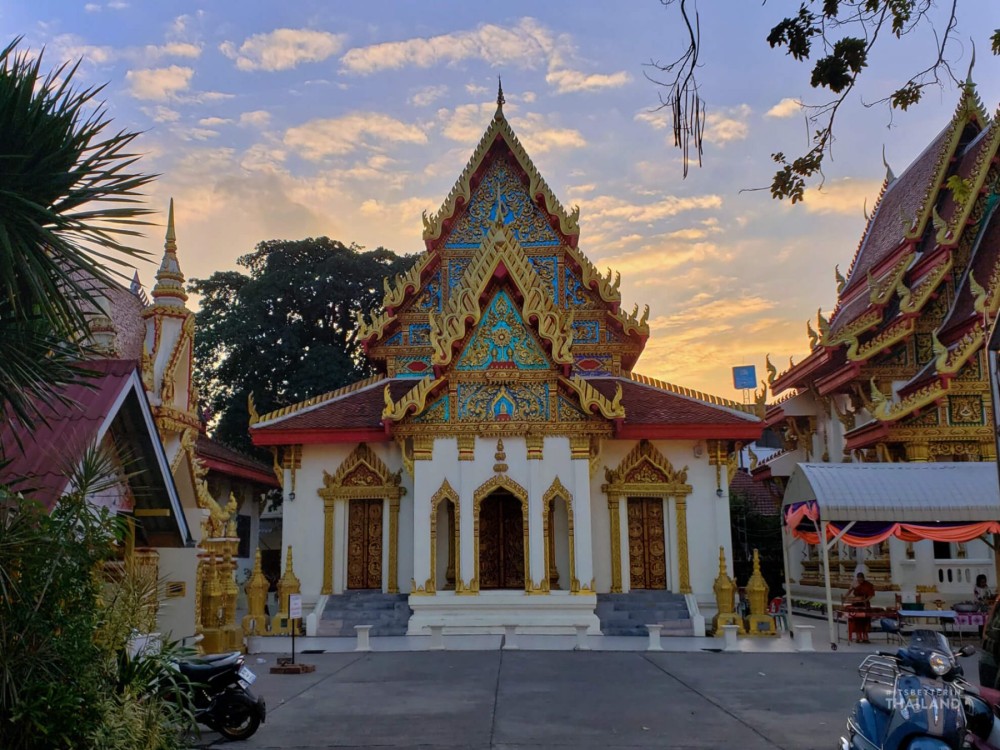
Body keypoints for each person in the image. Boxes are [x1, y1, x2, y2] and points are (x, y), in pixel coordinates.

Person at [844, 571, 876, 643]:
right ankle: (858, 637)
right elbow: (849, 591)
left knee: (865, 620)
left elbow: (871, 595)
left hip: (865, 604)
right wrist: (845, 597)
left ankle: (865, 637)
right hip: (856, 605)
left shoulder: (868, 585)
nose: (860, 581)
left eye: (861, 579)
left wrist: (865, 600)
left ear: (863, 578)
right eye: (858, 579)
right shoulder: (855, 584)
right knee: (857, 621)